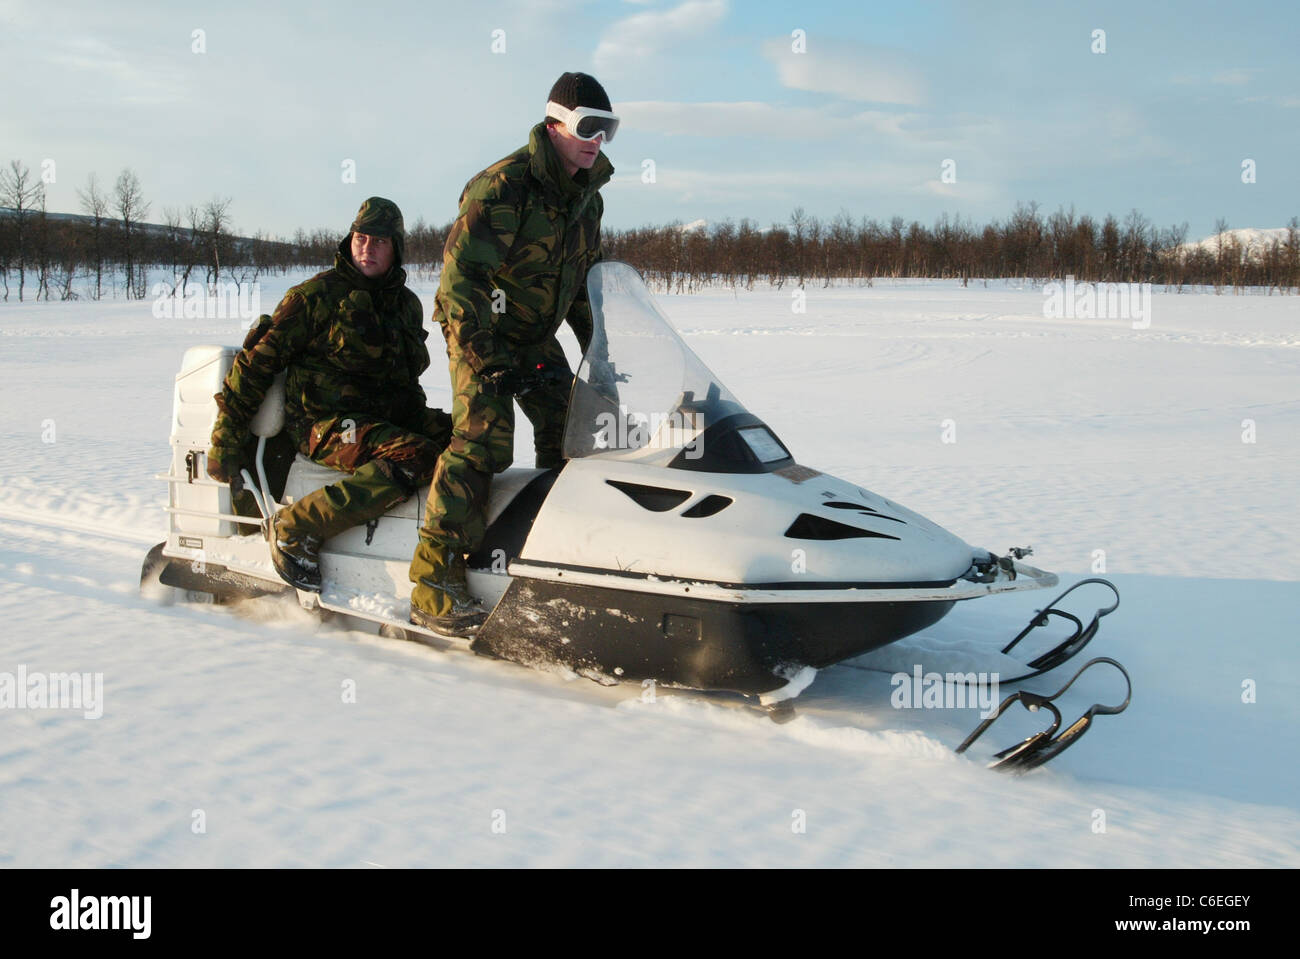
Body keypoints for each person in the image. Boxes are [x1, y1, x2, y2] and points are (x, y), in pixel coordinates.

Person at [408, 71, 618, 635]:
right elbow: (461, 281)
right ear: (555, 124)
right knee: (483, 439)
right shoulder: (503, 187)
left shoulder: (586, 200)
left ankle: (560, 558)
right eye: (588, 126)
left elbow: (581, 285)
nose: (597, 139)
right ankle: (433, 584)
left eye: (609, 130)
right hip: (476, 327)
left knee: (576, 426)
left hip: (531, 334)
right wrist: (483, 355)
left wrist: (601, 350)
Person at [207, 197, 451, 592]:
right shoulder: (316, 296)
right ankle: (297, 527)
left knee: (471, 438)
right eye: (361, 238)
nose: (368, 248)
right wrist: (225, 440)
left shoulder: (405, 305)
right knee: (416, 455)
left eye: (380, 241)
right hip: (327, 423)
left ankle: (452, 548)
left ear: (397, 248)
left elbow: (406, 379)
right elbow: (254, 366)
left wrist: (432, 423)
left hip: (386, 416)